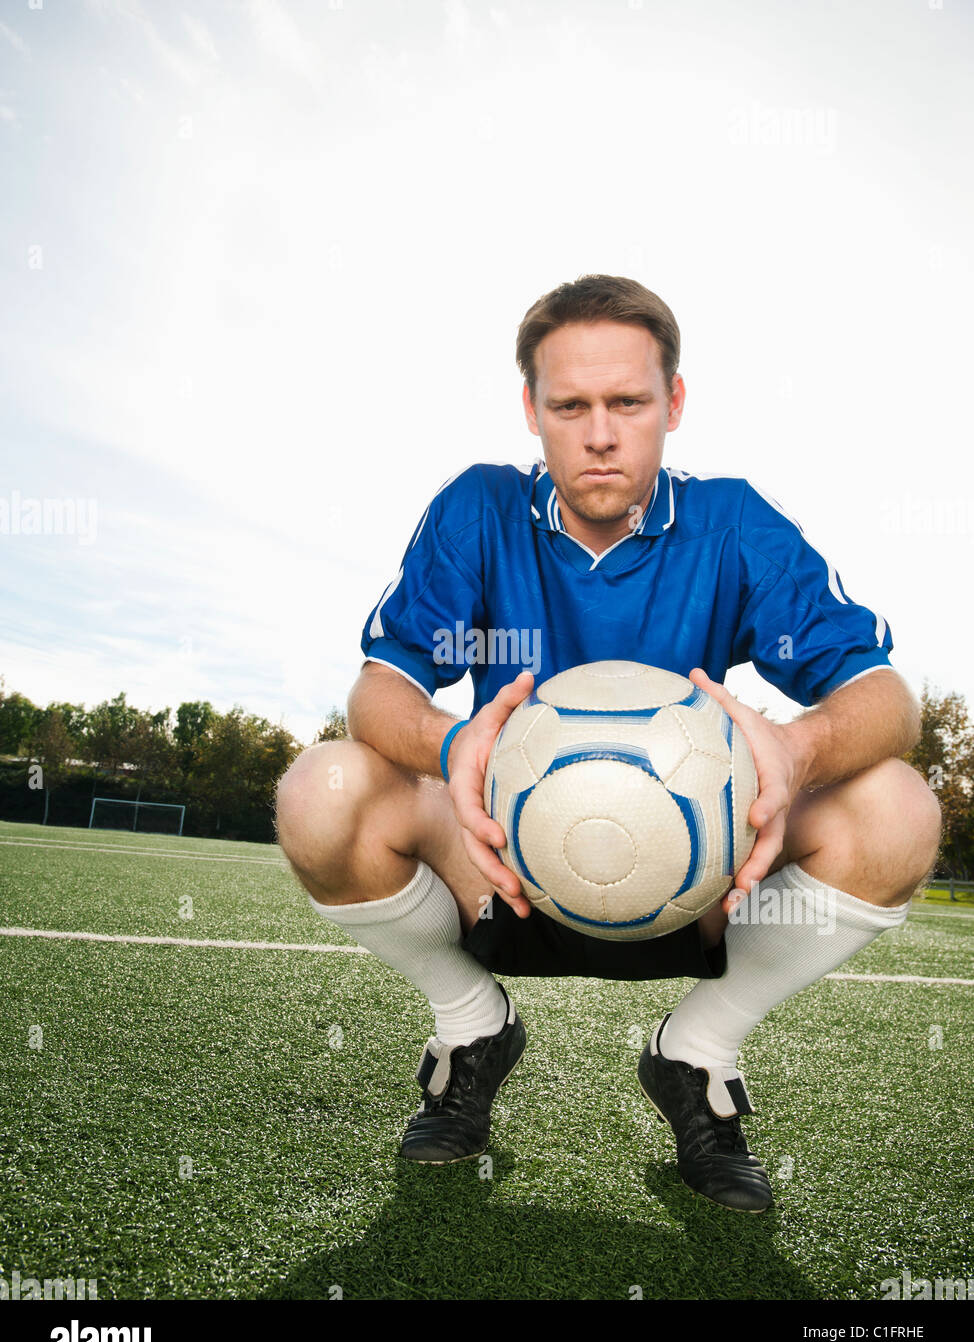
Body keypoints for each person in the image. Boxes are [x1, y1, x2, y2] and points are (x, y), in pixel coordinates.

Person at [275, 274, 941, 1213]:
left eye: (627, 402)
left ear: (673, 403)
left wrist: (795, 753)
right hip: (504, 870)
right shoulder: (479, 511)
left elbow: (882, 695)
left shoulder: (731, 524)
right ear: (530, 409)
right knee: (324, 787)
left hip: (701, 882)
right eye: (570, 405)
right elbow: (381, 687)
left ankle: (697, 1056)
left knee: (899, 805)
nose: (599, 433)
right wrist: (454, 742)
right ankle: (471, 1028)